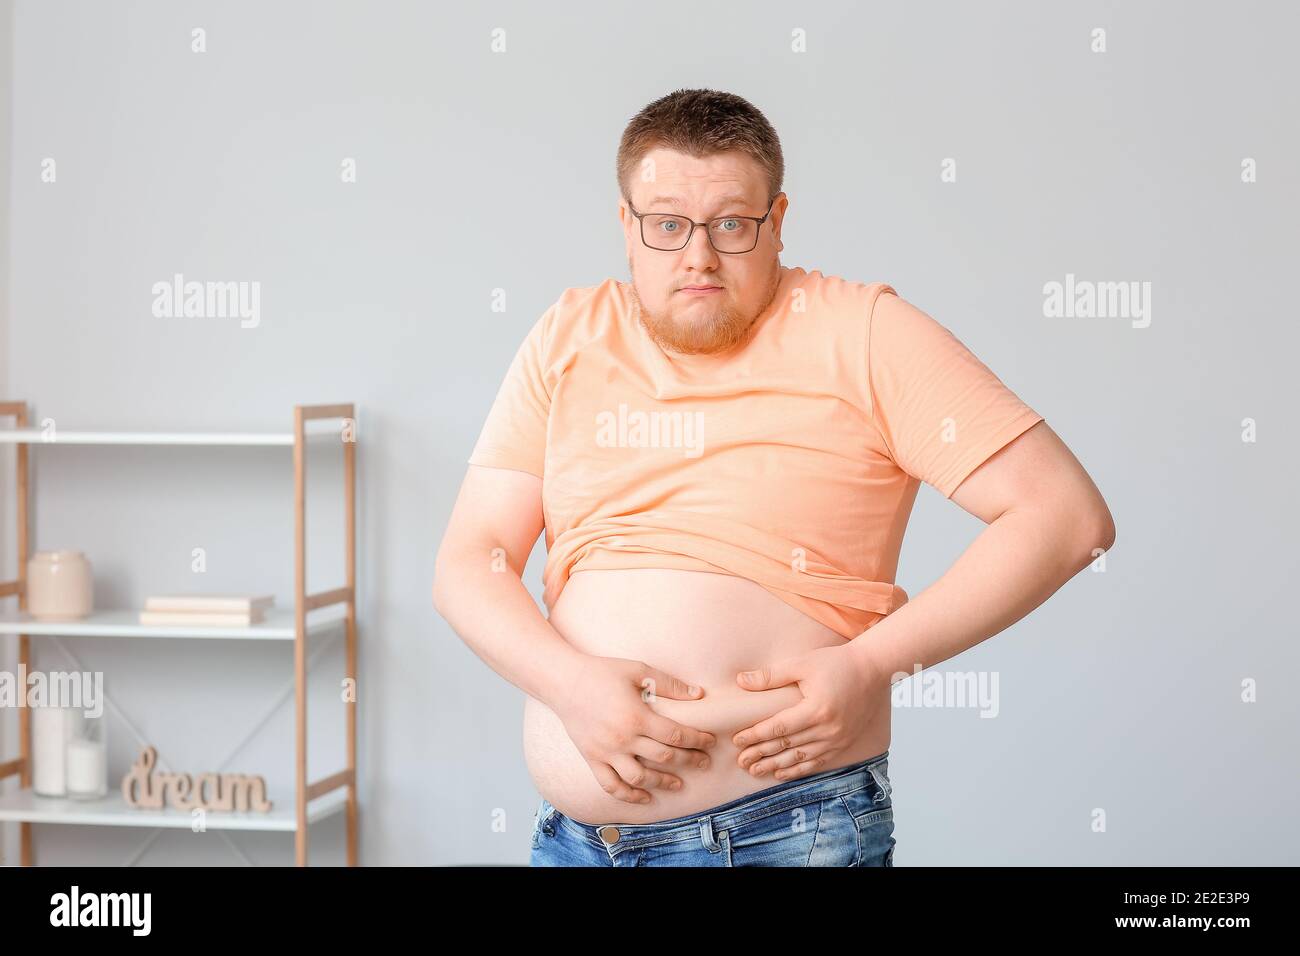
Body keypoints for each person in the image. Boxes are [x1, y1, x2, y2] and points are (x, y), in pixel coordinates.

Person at [433, 88, 1115, 867]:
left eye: (731, 223)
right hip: (577, 844)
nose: (699, 255)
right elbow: (468, 562)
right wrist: (569, 686)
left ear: (777, 221)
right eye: (666, 225)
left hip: (788, 832)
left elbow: (1066, 519)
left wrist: (871, 663)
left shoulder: (863, 334)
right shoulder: (569, 336)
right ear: (626, 227)